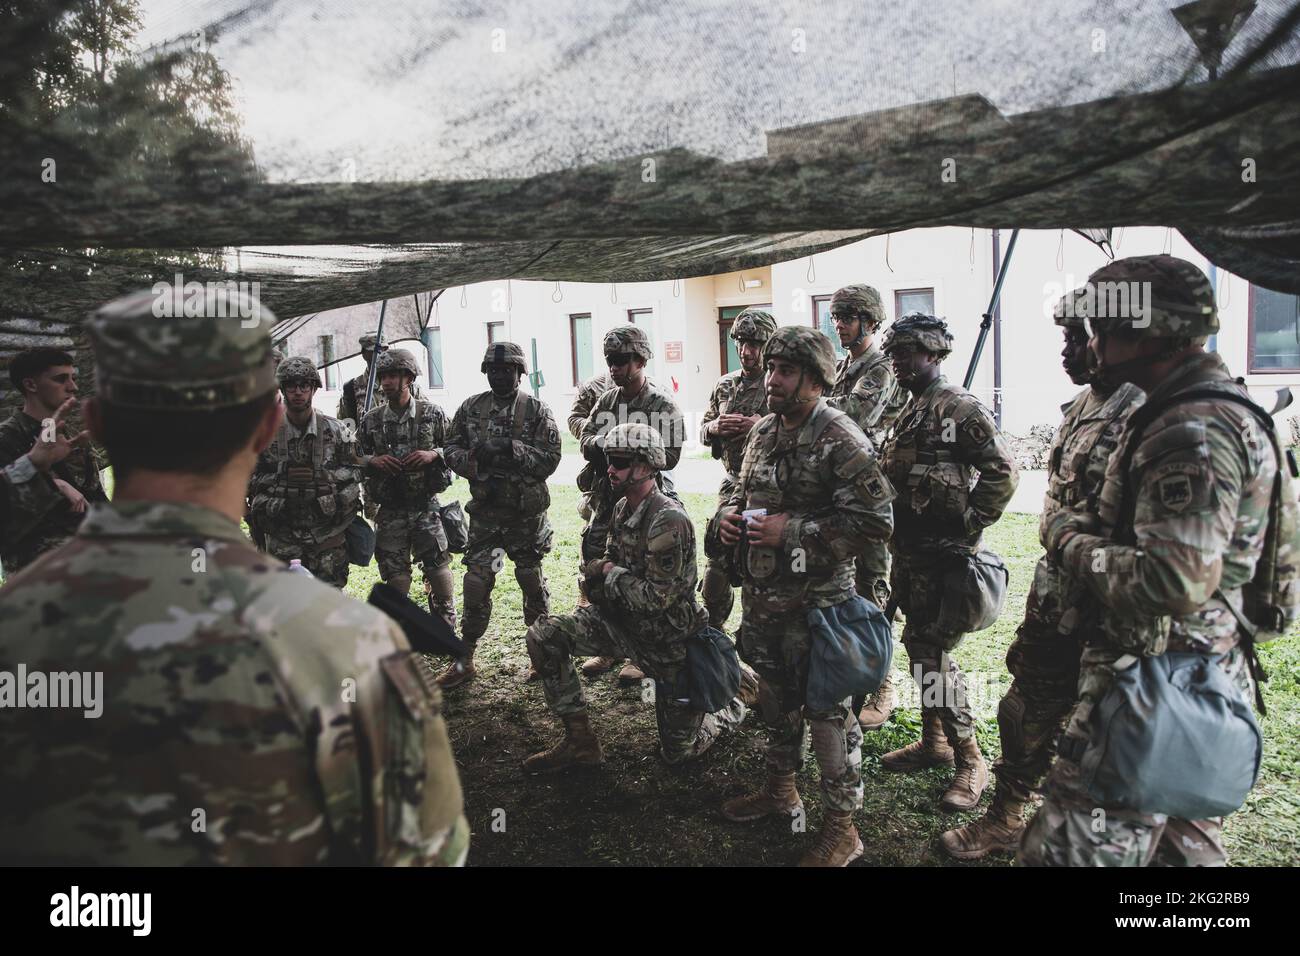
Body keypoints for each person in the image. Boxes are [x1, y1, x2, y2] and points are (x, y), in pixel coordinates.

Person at [0, 287, 468, 865]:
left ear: (95, 423)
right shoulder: (348, 647)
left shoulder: (14, 628)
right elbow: (426, 850)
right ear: (269, 423)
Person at [1021, 254, 1283, 866]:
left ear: (1140, 331)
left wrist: (1065, 537)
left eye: (1099, 329)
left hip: (1150, 683)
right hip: (1199, 674)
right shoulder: (1215, 408)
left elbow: (1170, 582)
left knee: (1068, 854)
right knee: (1182, 852)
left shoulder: (1186, 427)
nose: (1091, 345)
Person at [939, 289, 1143, 859]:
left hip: (1115, 614)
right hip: (1055, 599)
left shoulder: (1148, 410)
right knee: (1023, 709)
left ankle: (1087, 835)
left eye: (1079, 337)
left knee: (1105, 738)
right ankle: (1006, 815)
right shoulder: (1081, 408)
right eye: (1067, 337)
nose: (1069, 349)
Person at [715, 325, 895, 866]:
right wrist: (725, 518)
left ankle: (843, 829)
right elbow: (739, 491)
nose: (771, 379)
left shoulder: (841, 438)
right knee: (775, 701)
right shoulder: (763, 431)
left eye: (785, 371)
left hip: (820, 609)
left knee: (828, 718)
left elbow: (875, 521)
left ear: (816, 380)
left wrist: (790, 532)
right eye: (770, 368)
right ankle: (780, 791)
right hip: (766, 602)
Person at [524, 423, 746, 771]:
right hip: (621, 624)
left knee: (678, 754)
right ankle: (580, 741)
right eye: (609, 460)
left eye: (621, 461)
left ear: (646, 465)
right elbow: (608, 568)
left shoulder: (669, 519)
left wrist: (610, 573)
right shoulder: (623, 508)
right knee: (544, 635)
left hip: (667, 642)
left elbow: (655, 598)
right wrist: (604, 574)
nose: (610, 468)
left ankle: (733, 702)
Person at [877, 313, 1019, 812]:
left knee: (931, 653)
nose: (897, 361)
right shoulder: (909, 409)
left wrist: (970, 522)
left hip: (945, 556)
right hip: (910, 553)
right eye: (893, 353)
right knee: (918, 645)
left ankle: (969, 759)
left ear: (934, 354)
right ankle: (934, 743)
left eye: (907, 353)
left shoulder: (958, 407)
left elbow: (1002, 469)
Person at [438, 342, 562, 688]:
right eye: (493, 370)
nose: (499, 375)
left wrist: (511, 448)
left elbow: (550, 459)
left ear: (519, 372)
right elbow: (450, 448)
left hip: (524, 517)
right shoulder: (471, 408)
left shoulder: (536, 410)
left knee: (530, 581)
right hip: (487, 518)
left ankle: (541, 655)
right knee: (477, 582)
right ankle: (465, 659)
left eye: (507, 369)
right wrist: (477, 469)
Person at [577, 326, 685, 682]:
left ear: (641, 359)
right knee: (596, 562)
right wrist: (607, 444)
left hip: (646, 500)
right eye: (610, 361)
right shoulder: (607, 402)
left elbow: (670, 456)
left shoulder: (662, 404)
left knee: (641, 571)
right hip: (607, 498)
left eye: (622, 360)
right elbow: (585, 439)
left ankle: (639, 652)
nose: (615, 368)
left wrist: (634, 449)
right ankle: (608, 646)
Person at [825, 283, 908, 730]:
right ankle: (850, 668)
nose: (839, 324)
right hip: (842, 490)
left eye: (848, 317)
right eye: (836, 317)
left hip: (872, 492)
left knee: (873, 586)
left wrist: (809, 401)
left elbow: (854, 417)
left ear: (870, 322)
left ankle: (882, 683)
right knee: (841, 585)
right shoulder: (844, 367)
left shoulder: (881, 367)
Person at [356, 348, 457, 628]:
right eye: (383, 376)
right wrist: (373, 461)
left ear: (409, 378)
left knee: (437, 569)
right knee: (396, 575)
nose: (386, 382)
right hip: (390, 509)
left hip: (426, 506)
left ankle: (445, 627)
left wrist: (433, 454)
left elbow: (455, 448)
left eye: (393, 376)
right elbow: (353, 456)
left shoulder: (432, 413)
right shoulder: (371, 419)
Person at [247, 357, 363, 588]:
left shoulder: (338, 430)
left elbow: (357, 471)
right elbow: (246, 478)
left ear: (314, 389)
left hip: (327, 537)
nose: (298, 392)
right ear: (282, 389)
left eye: (304, 386)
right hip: (282, 536)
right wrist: (281, 479)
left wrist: (325, 480)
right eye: (291, 386)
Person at [698, 308, 774, 631]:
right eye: (741, 342)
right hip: (731, 487)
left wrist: (758, 425)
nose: (746, 351)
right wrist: (715, 427)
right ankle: (714, 632)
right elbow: (702, 429)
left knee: (757, 563)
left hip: (765, 491)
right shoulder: (725, 385)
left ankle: (755, 636)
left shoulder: (778, 385)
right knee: (717, 562)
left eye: (754, 343)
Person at [0, 347, 107, 572]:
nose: (73, 387)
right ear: (31, 385)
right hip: (39, 572)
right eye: (61, 379)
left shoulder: (70, 436)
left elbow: (96, 498)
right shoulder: (7, 438)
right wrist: (50, 481)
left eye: (74, 378)